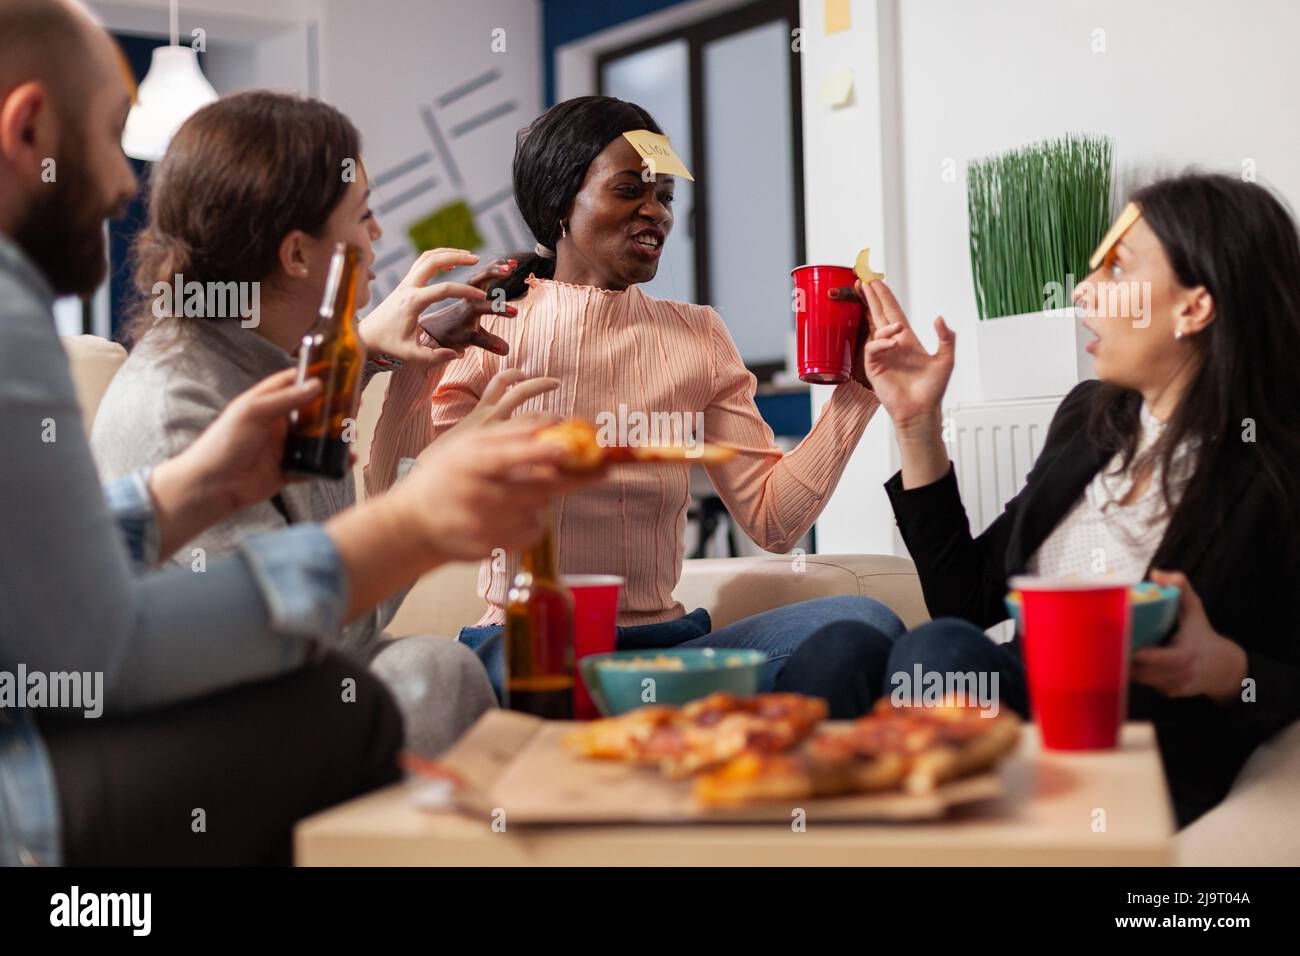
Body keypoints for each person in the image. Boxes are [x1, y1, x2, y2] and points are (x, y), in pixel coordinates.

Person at [0, 0, 590, 865]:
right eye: (112, 131)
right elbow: (116, 644)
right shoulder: (103, 361)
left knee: (441, 668)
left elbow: (48, 589)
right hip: (39, 781)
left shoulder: (279, 372)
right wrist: (418, 512)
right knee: (411, 679)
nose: (130, 186)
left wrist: (190, 491)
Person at [369, 96, 906, 716]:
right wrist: (421, 353)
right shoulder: (490, 323)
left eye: (665, 197)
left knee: (863, 622)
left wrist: (858, 392)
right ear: (559, 205)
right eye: (630, 190)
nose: (655, 211)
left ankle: (712, 746)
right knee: (538, 667)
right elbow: (394, 498)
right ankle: (670, 730)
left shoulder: (698, 334)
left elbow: (774, 521)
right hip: (532, 643)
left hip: (664, 649)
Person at [91, 91, 559, 757]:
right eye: (363, 216)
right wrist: (433, 482)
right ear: (298, 256)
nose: (378, 238)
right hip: (223, 735)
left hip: (302, 694)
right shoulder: (177, 411)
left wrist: (371, 353)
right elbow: (309, 642)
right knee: (434, 673)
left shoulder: (265, 355)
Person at [858, 171, 1300, 826]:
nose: (1084, 291)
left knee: (938, 653)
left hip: (1133, 741)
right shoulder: (1090, 418)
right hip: (1020, 704)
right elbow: (970, 600)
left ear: (1193, 308)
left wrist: (1225, 667)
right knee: (843, 642)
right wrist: (917, 424)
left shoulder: (1275, 472)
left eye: (1117, 269)